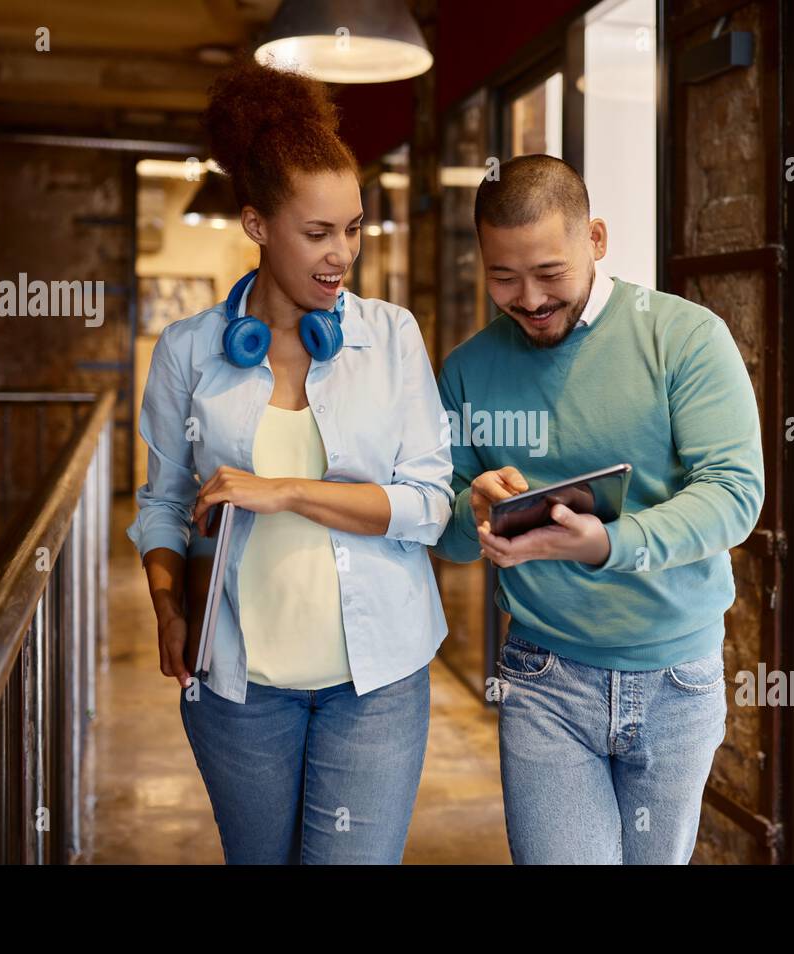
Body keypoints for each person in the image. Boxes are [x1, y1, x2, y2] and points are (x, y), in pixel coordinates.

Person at [126, 61, 452, 864]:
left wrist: (287, 492)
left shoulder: (392, 336)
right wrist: (168, 607)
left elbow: (429, 505)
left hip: (376, 686)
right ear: (257, 224)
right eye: (317, 233)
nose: (341, 254)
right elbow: (163, 502)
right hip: (237, 689)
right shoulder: (189, 351)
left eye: (353, 229)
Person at [431, 154, 765, 864]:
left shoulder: (684, 338)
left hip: (678, 676)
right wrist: (474, 510)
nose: (528, 299)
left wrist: (607, 543)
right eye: (503, 277)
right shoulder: (466, 369)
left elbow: (734, 495)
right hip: (544, 675)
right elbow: (450, 536)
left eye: (549, 273)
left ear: (598, 239)